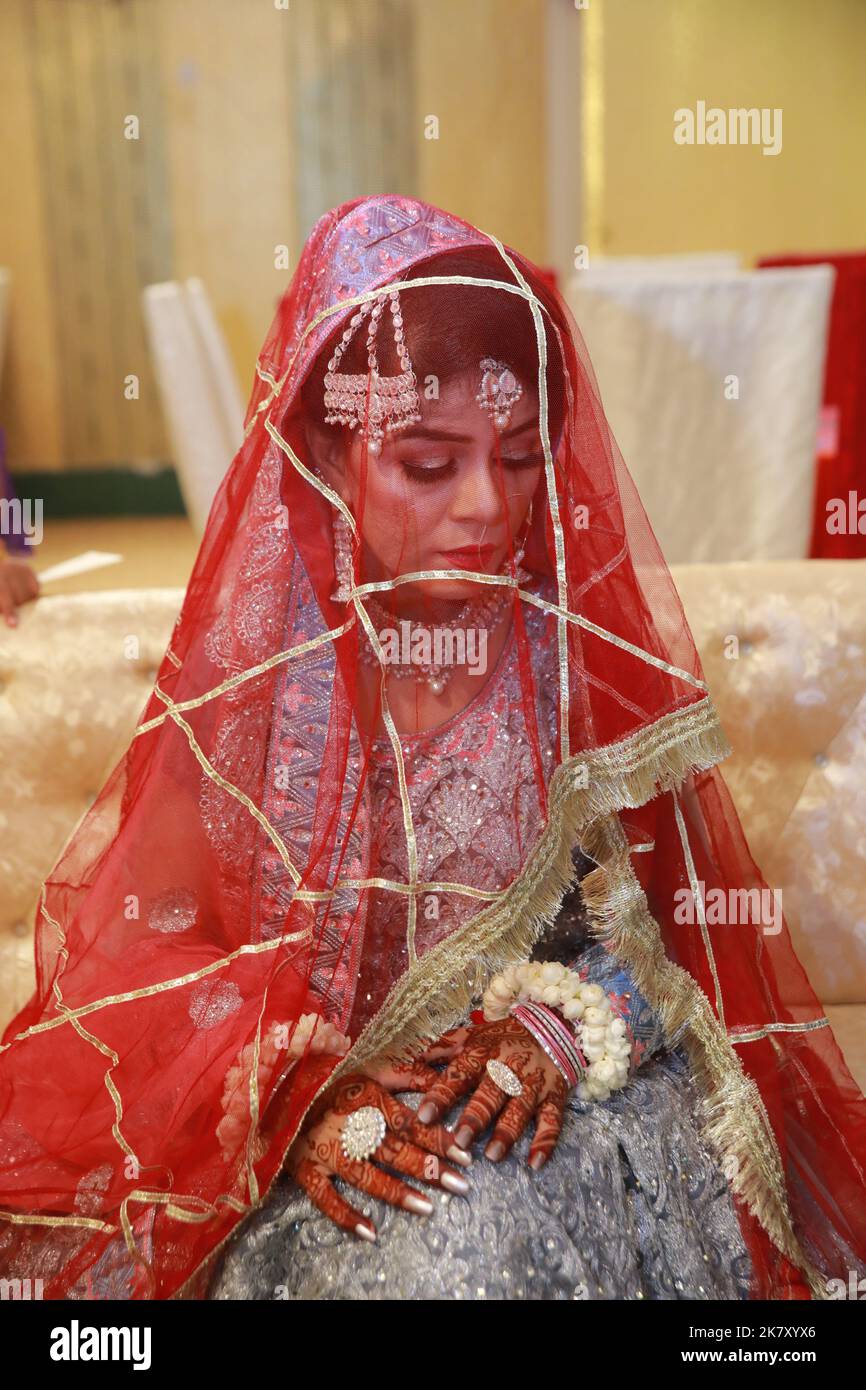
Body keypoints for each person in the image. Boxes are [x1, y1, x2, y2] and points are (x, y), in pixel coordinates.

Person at [1, 195, 865, 1302]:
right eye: (425, 464)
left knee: (472, 1242)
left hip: (553, 1103)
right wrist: (295, 1091)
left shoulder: (570, 659)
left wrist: (558, 1030)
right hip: (319, 1127)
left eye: (514, 459)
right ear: (325, 452)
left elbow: (682, 926)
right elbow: (156, 952)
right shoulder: (255, 676)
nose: (485, 506)